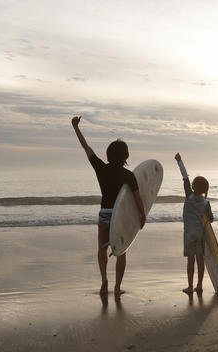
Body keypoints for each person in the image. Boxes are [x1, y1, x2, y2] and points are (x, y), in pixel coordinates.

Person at [71, 116, 146, 297]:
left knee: (102, 249)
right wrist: (142, 216)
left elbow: (86, 147)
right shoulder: (129, 175)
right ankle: (117, 287)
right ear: (126, 156)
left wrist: (75, 127)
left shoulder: (101, 168)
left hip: (105, 213)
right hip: (120, 215)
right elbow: (137, 199)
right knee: (121, 251)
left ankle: (104, 280)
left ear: (108, 154)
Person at [174, 153, 214, 294]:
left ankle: (190, 286)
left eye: (192, 184)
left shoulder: (188, 195)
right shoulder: (206, 202)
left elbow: (185, 177)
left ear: (193, 186)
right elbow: (211, 219)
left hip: (189, 234)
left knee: (190, 260)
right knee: (200, 259)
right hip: (200, 233)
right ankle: (200, 285)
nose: (190, 184)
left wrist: (180, 161)